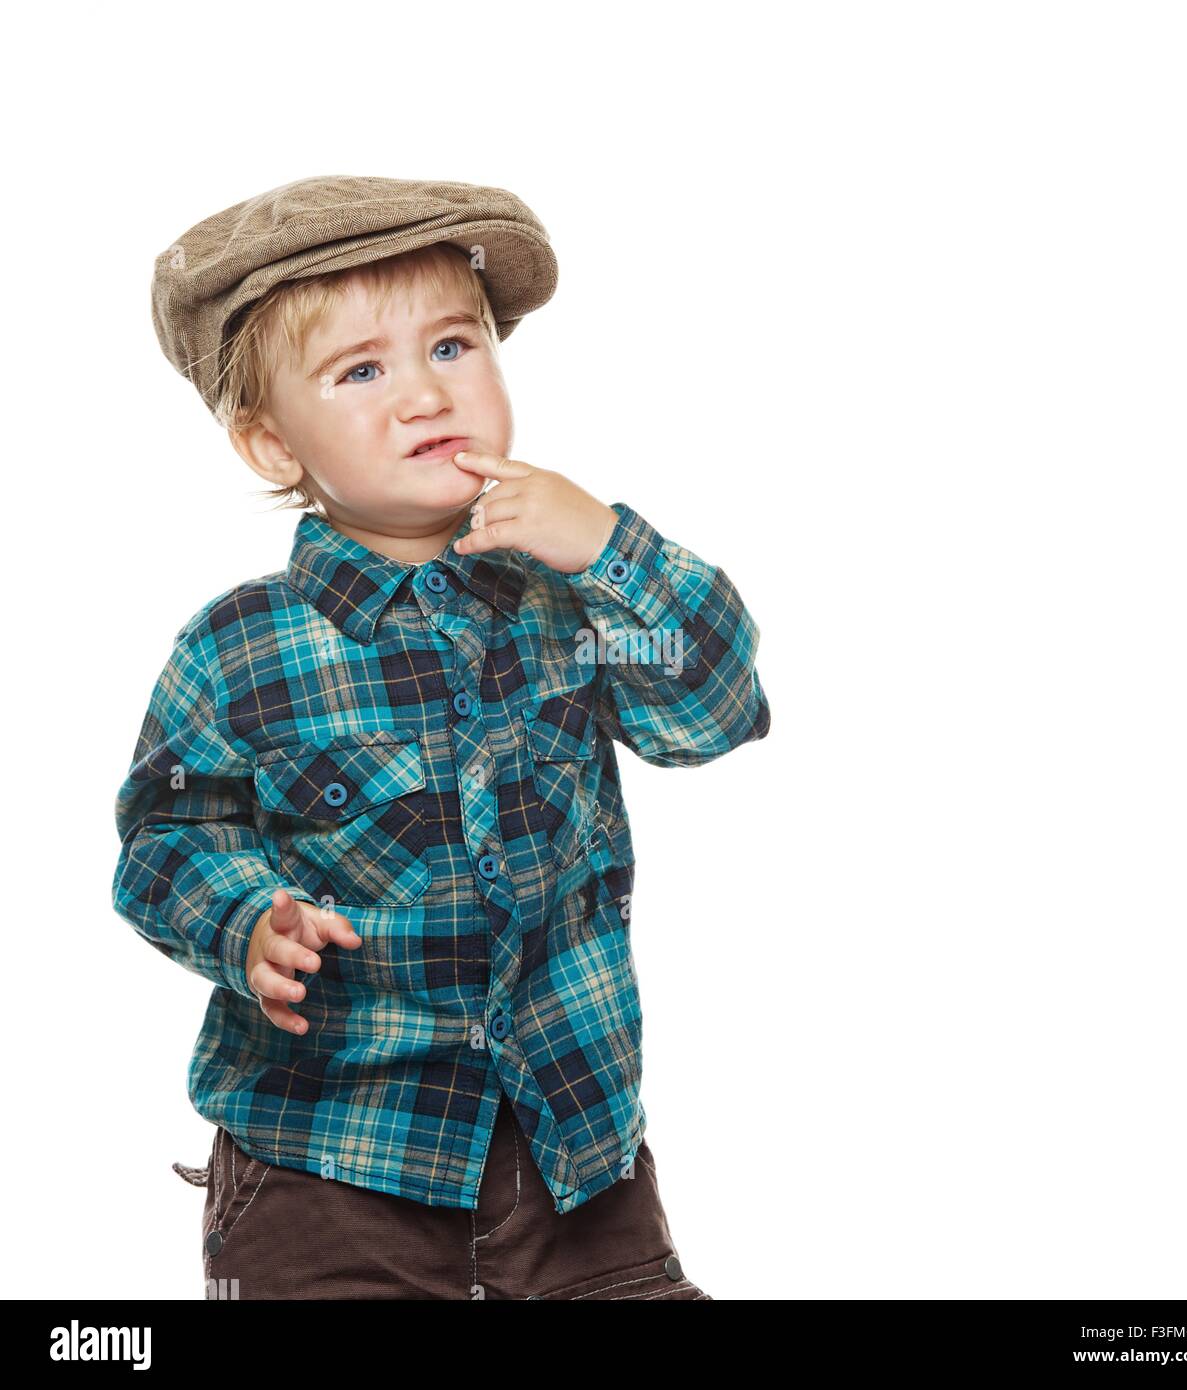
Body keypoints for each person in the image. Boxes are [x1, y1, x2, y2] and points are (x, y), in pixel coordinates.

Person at [113, 175, 770, 1299]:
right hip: (331, 1166)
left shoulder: (567, 606)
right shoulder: (239, 645)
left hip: (577, 1158)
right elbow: (166, 837)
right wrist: (244, 919)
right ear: (272, 443)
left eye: (453, 348)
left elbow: (713, 708)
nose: (423, 394)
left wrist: (610, 545)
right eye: (362, 371)